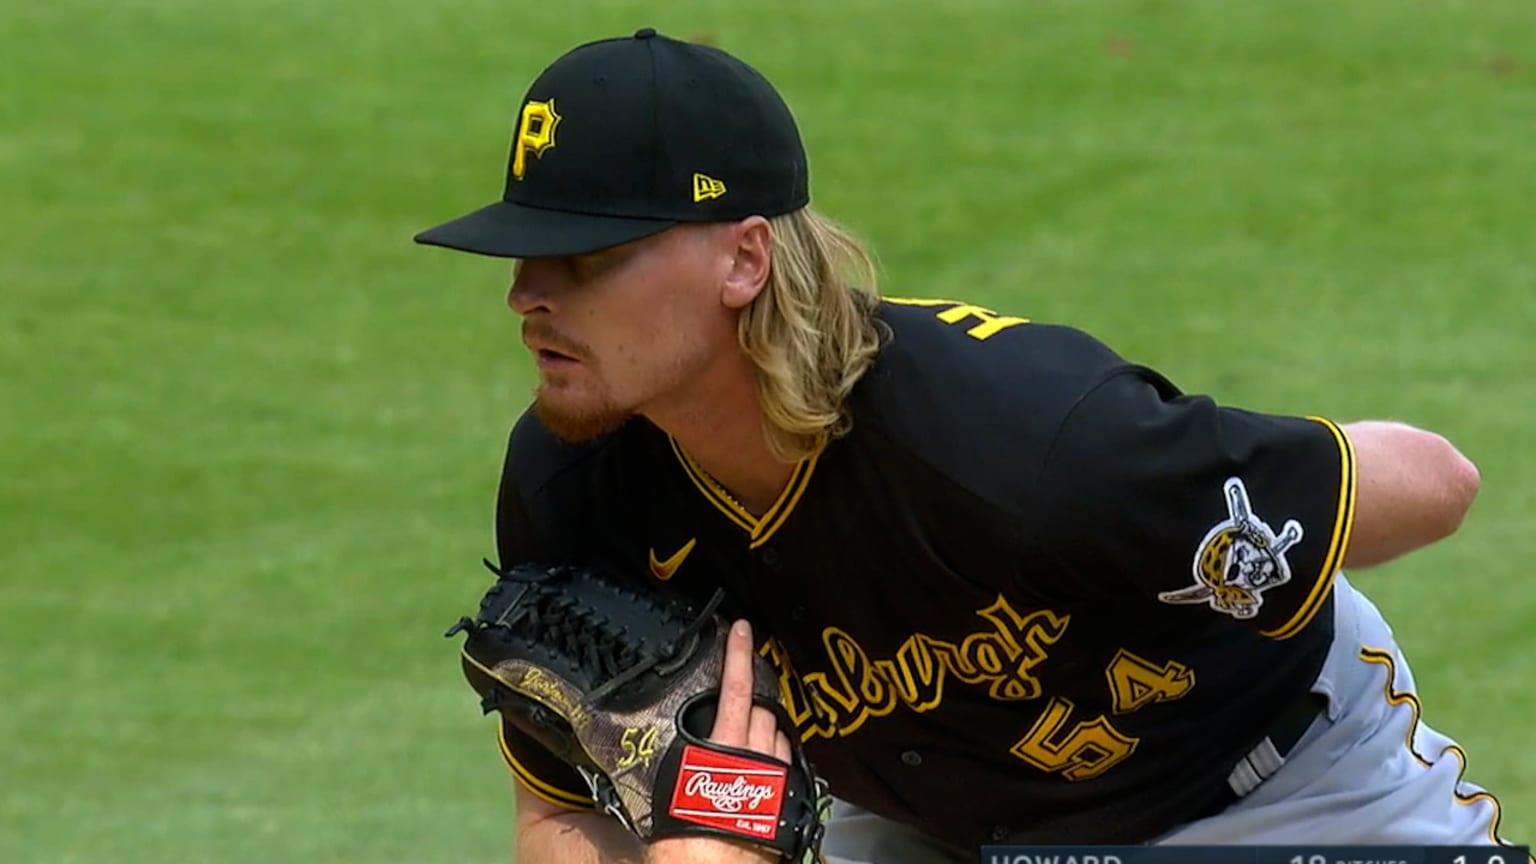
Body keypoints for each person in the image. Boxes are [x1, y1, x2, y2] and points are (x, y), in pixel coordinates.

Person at [413, 28, 1520, 864]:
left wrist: (1245, 540)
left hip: (1267, 793)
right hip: (922, 825)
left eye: (585, 258)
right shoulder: (577, 485)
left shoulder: (1022, 448)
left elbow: (1436, 482)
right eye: (522, 255)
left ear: (742, 261)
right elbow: (555, 803)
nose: (524, 295)